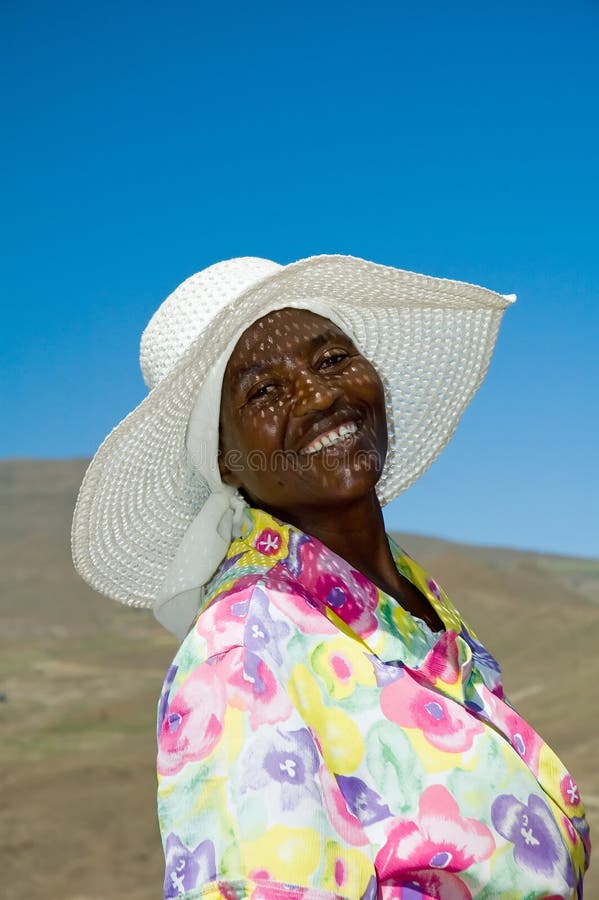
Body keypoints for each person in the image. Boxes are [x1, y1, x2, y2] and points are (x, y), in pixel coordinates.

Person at [72, 255, 590, 899]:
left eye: (332, 359)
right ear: (225, 460)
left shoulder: (409, 604)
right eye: (263, 390)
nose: (319, 396)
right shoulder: (245, 652)